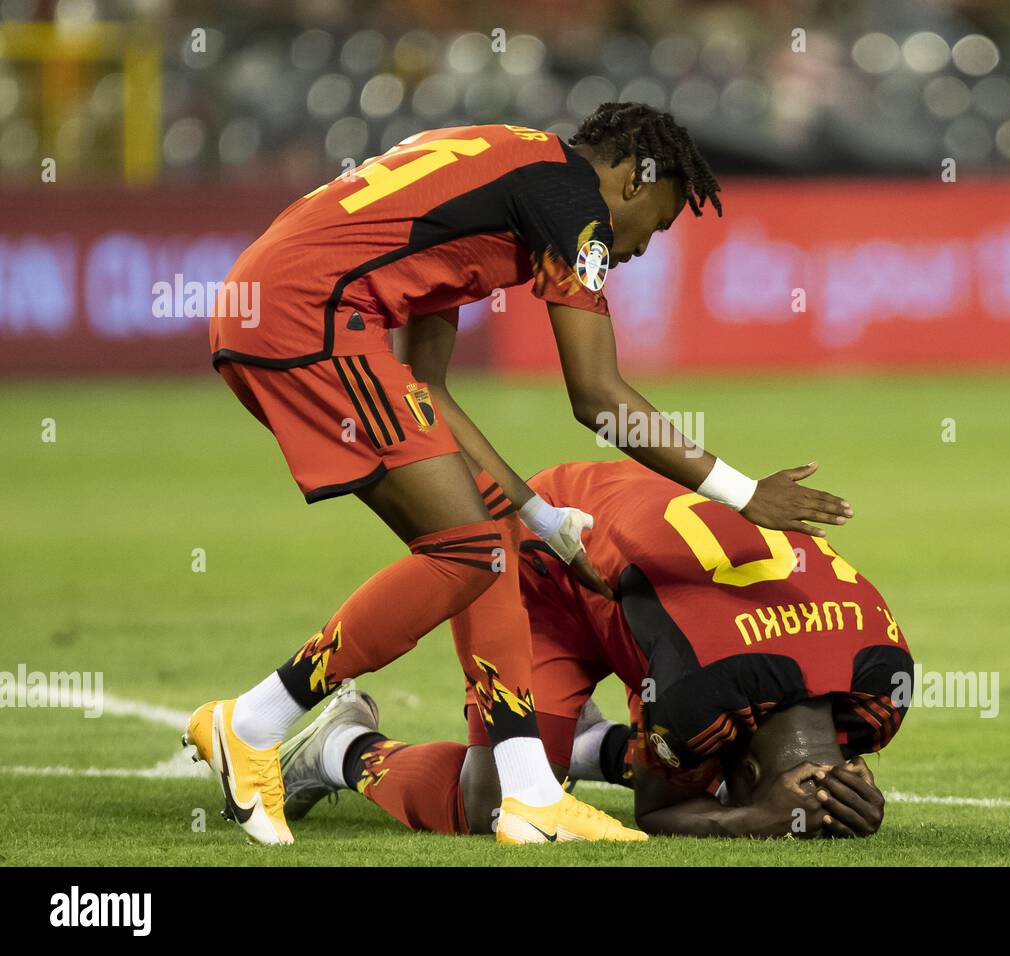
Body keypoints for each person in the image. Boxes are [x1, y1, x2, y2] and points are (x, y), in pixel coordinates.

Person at [185, 103, 854, 846]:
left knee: (491, 533)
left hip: (282, 309)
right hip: (310, 316)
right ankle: (252, 723)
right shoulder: (574, 201)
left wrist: (539, 516)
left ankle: (531, 791)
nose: (639, 250)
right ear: (635, 179)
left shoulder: (503, 170)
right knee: (466, 549)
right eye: (658, 224)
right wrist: (744, 491)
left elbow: (425, 386)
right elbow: (598, 397)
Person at [279, 460, 910, 839]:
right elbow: (658, 812)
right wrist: (754, 818)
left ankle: (580, 742)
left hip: (653, 583)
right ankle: (340, 747)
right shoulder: (705, 696)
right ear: (739, 775)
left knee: (681, 710)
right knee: (495, 805)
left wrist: (849, 798)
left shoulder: (884, 675)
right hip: (554, 553)